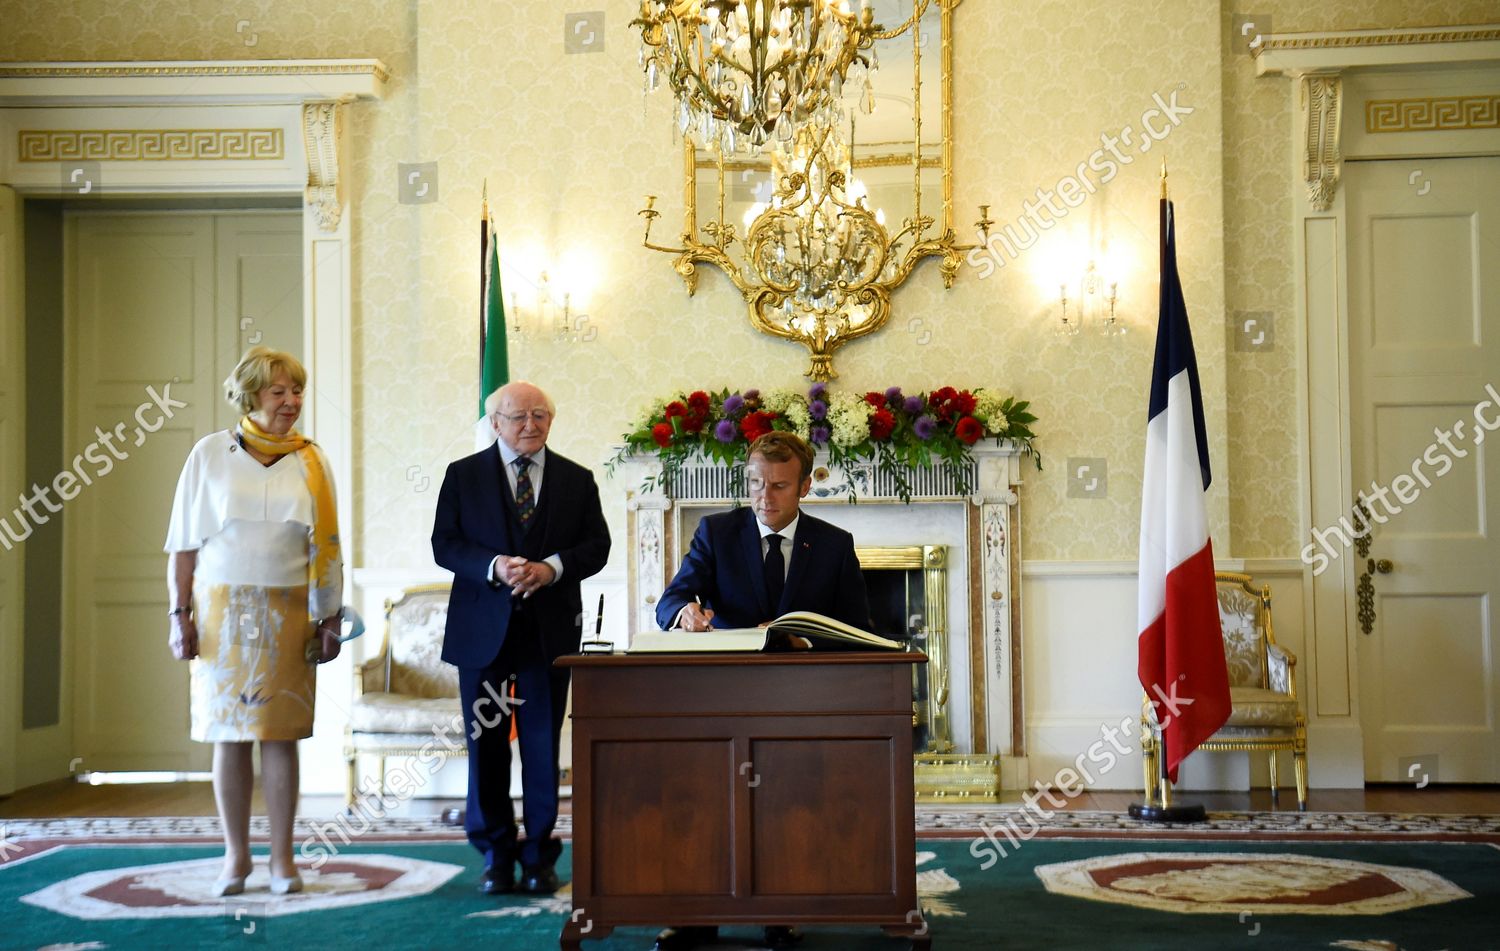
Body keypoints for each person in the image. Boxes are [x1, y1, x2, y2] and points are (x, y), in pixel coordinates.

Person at [652, 430, 871, 951]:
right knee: (708, 803)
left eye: (777, 486)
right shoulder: (716, 532)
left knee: (788, 805)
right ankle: (698, 916)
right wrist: (684, 613)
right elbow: (671, 600)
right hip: (723, 698)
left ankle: (781, 910)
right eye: (755, 483)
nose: (763, 497)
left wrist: (807, 640)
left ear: (804, 488)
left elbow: (859, 631)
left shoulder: (834, 544)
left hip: (800, 702)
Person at [165, 346, 343, 898]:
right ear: (251, 396)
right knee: (229, 736)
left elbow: (328, 546)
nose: (291, 401)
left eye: (297, 391)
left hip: (290, 611)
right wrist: (179, 615)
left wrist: (330, 617)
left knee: (281, 735)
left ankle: (283, 860)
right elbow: (183, 545)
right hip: (220, 612)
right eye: (278, 391)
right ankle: (235, 858)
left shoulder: (312, 459)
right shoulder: (209, 453)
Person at [432, 381, 610, 896]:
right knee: (486, 746)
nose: (530, 424)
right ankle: (495, 855)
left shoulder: (577, 479)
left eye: (539, 415)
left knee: (541, 746)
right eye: (517, 416)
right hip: (481, 634)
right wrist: (494, 566)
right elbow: (445, 544)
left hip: (548, 633)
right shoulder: (462, 475)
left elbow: (596, 546)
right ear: (495, 423)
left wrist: (551, 568)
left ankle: (538, 856)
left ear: (551, 420)